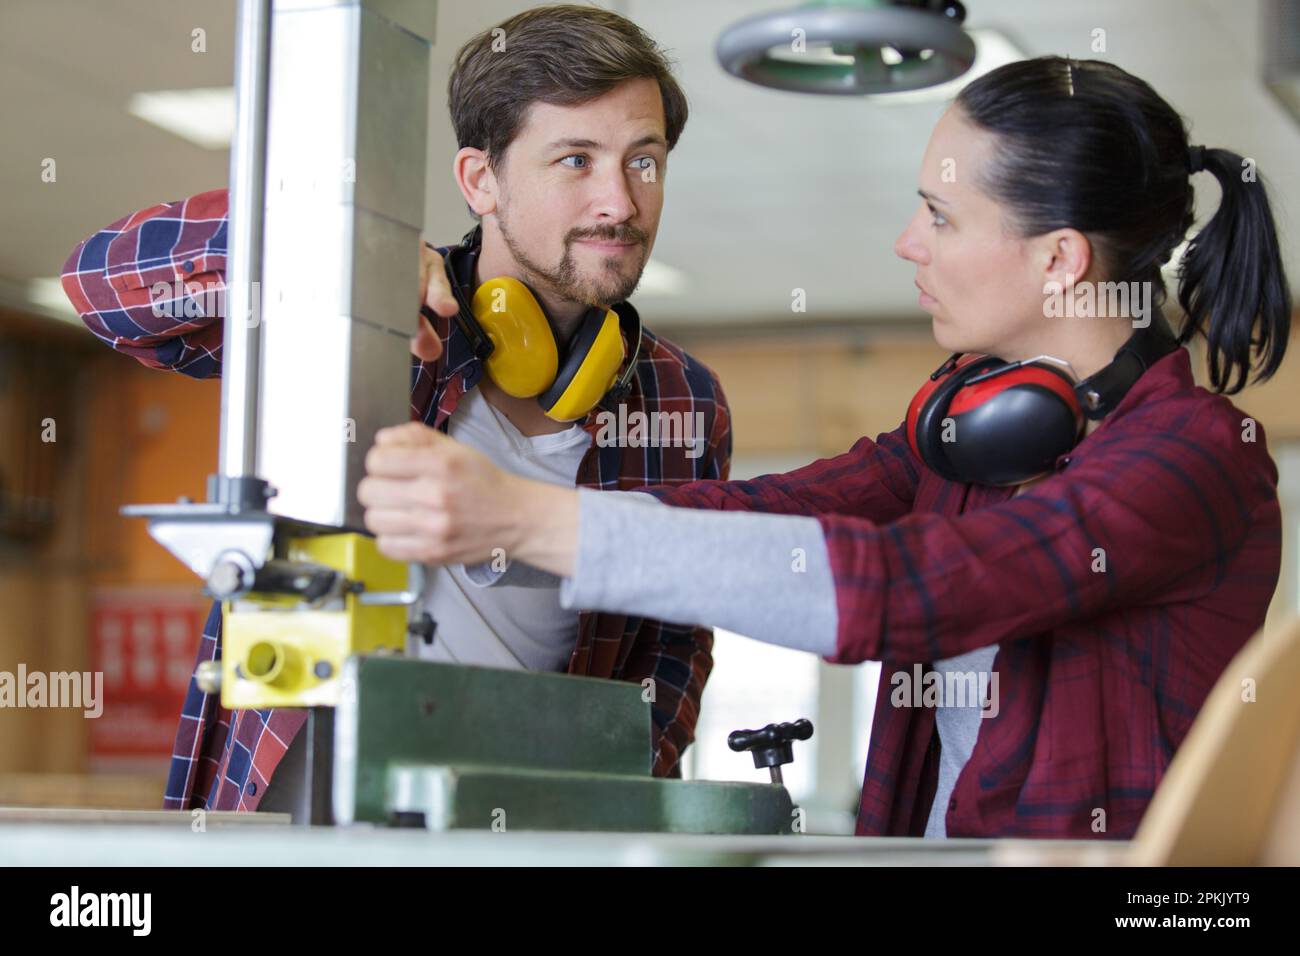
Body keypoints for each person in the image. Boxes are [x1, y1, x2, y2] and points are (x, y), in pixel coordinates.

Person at [360, 57, 1291, 839]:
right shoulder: (964, 436)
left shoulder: (1198, 454)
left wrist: (532, 522)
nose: (906, 243)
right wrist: (504, 519)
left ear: (1059, 259)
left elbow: (905, 587)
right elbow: (770, 511)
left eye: (940, 215)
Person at [60, 5, 731, 810]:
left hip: (524, 826)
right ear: (481, 180)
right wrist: (327, 248)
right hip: (299, 812)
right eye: (576, 160)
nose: (618, 202)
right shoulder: (360, 315)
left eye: (643, 161)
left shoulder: (682, 399)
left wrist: (608, 802)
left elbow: (675, 649)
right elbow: (100, 288)